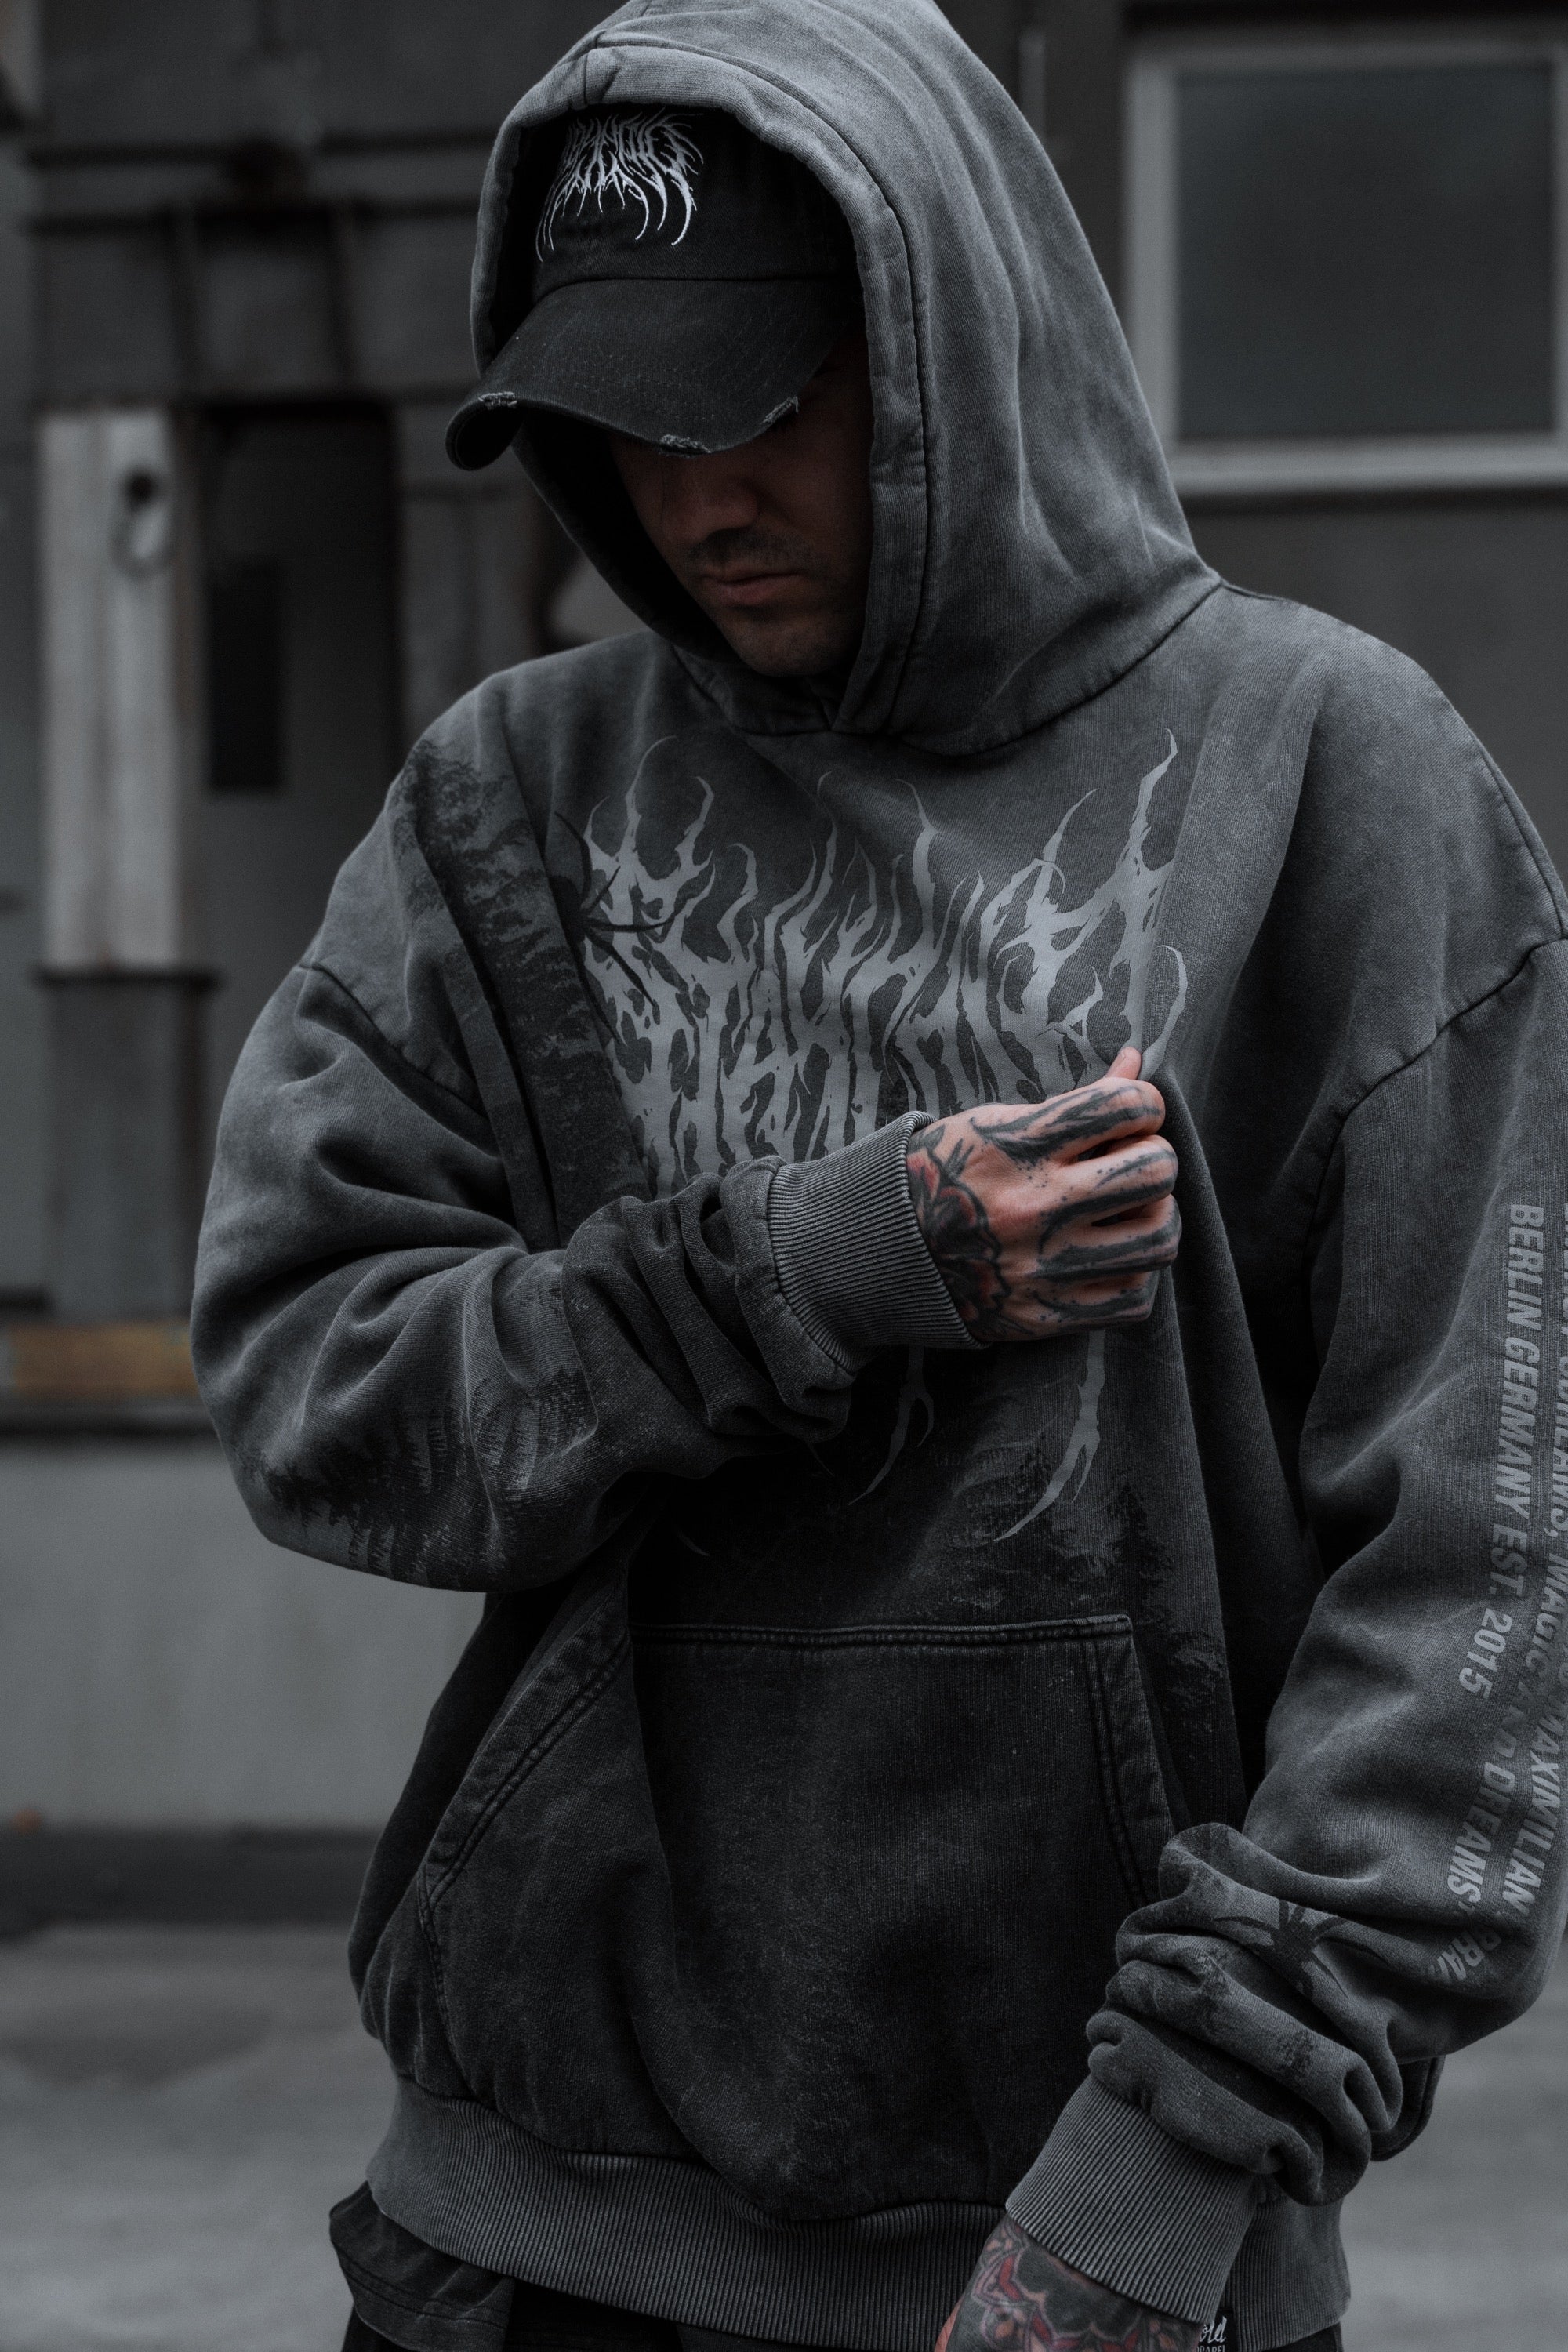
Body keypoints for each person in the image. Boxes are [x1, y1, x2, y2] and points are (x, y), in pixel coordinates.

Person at [191, 3, 1568, 2350]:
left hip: (1108, 2252)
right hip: (526, 2242)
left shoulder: (1336, 779)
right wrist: (819, 1267)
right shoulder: (512, 798)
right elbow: (316, 1388)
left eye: (767, 404)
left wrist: (1167, 2173)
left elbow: (1480, 1574)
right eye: (627, 430)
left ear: (952, 348)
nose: (697, 500)